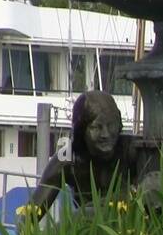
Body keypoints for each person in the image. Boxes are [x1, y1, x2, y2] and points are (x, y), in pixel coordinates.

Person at [27, 91, 137, 220]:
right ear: (81, 129)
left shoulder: (132, 150)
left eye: (111, 125)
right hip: (85, 231)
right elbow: (29, 217)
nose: (105, 134)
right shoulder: (67, 159)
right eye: (97, 127)